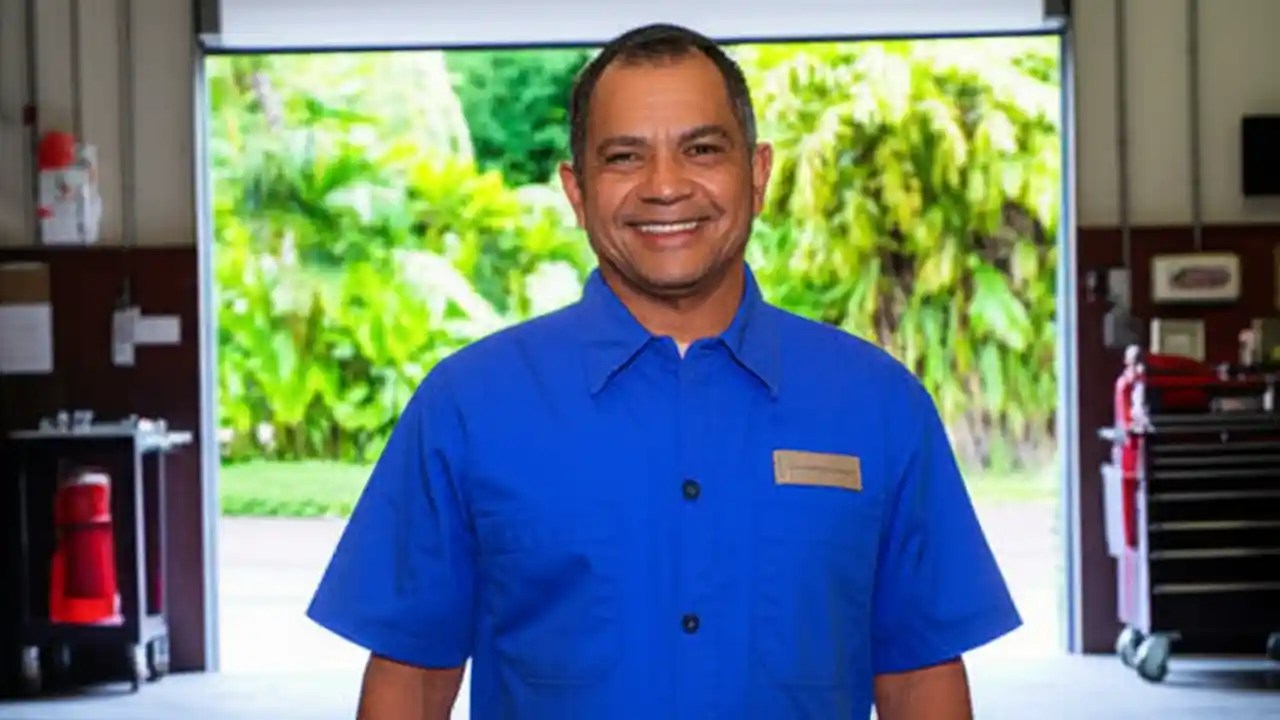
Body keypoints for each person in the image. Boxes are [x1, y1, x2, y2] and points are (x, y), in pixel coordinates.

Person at [307, 22, 1021, 720]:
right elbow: (410, 682)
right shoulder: (467, 407)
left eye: (701, 149)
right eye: (624, 157)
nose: (665, 186)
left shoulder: (879, 406)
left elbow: (920, 680)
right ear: (577, 191)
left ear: (758, 174)